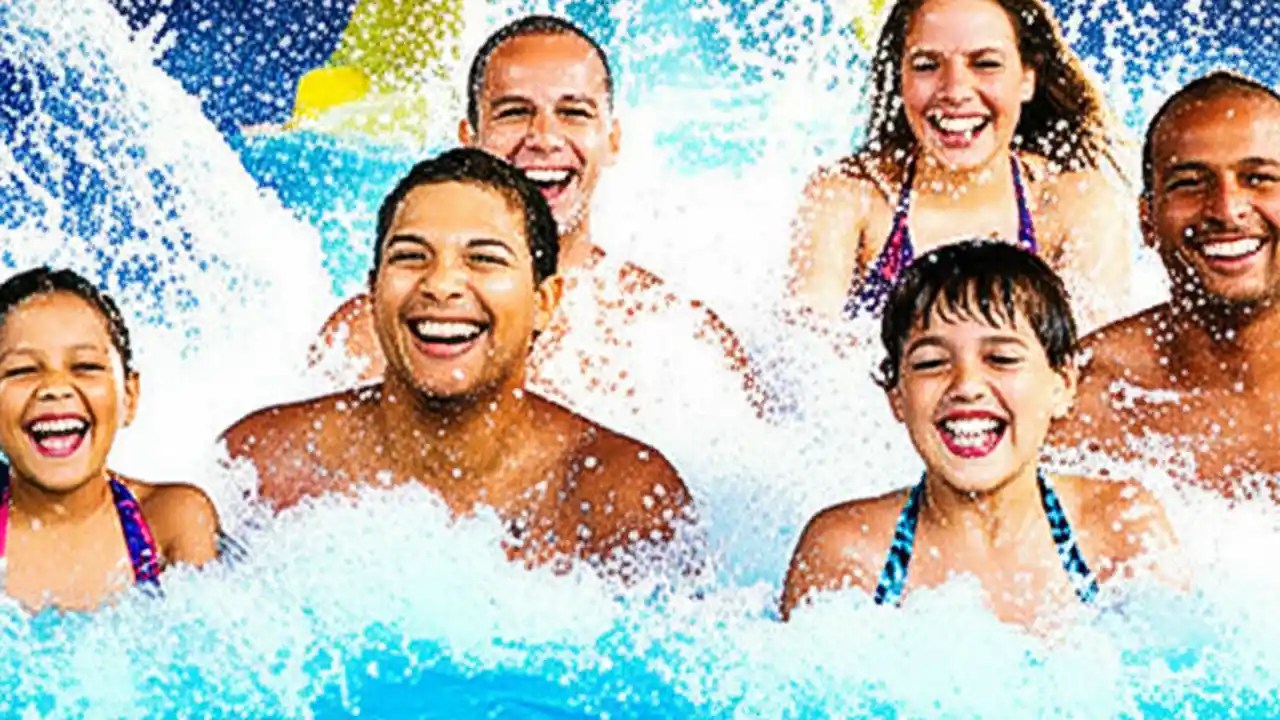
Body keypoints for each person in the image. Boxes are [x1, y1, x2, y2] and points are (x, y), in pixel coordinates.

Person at [224, 148, 695, 573]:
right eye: (411, 256)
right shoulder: (264, 465)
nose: (441, 284)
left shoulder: (620, 495)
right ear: (372, 291)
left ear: (544, 301)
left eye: (484, 259)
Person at [313, 15, 756, 416]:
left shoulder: (679, 340)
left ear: (612, 141)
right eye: (514, 113)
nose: (544, 137)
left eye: (573, 113)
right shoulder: (371, 337)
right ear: (470, 139)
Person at [781, 241, 1181, 626]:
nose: (967, 385)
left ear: (1062, 386)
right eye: (931, 362)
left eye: (1002, 358)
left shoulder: (1120, 531)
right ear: (897, 397)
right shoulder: (849, 554)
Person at [787, 0, 1131, 331]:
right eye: (926, 65)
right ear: (901, 79)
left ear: (1027, 78)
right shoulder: (851, 197)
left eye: (985, 64)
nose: (955, 91)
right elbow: (805, 358)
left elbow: (1087, 370)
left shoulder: (1074, 204)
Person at [1049, 72, 1280, 497]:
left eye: (1260, 178)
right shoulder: (1080, 399)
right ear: (1147, 220)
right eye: (1190, 183)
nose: (1227, 210)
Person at [0, 267, 220, 611]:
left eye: (85, 366)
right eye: (21, 370)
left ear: (129, 398)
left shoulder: (170, 522)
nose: (55, 388)